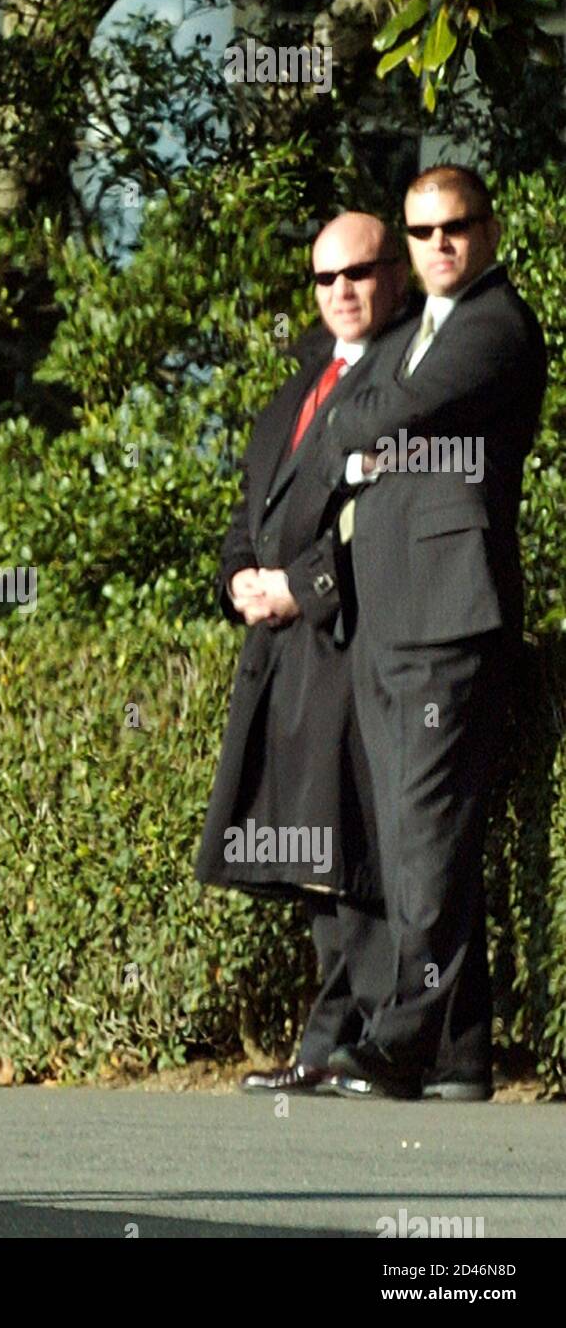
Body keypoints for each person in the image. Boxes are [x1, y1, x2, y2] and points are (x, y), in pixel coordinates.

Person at [317, 165, 546, 1100]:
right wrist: (362, 429)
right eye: (422, 231)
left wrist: (368, 431)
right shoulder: (416, 331)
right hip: (395, 610)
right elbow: (343, 419)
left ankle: (406, 1037)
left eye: (456, 225)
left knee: (429, 839)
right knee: (417, 833)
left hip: (450, 613)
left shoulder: (494, 325)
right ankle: (462, 1055)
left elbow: (383, 416)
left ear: (488, 231)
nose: (441, 242)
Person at [197, 212, 411, 1093]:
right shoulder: (301, 383)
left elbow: (394, 521)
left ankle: (357, 1042)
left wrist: (306, 586)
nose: (342, 292)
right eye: (325, 278)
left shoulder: (410, 378)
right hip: (286, 653)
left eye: (359, 272)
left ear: (394, 274)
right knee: (313, 857)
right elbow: (252, 512)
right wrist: (242, 577)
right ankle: (329, 1044)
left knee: (351, 855)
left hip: (352, 639)